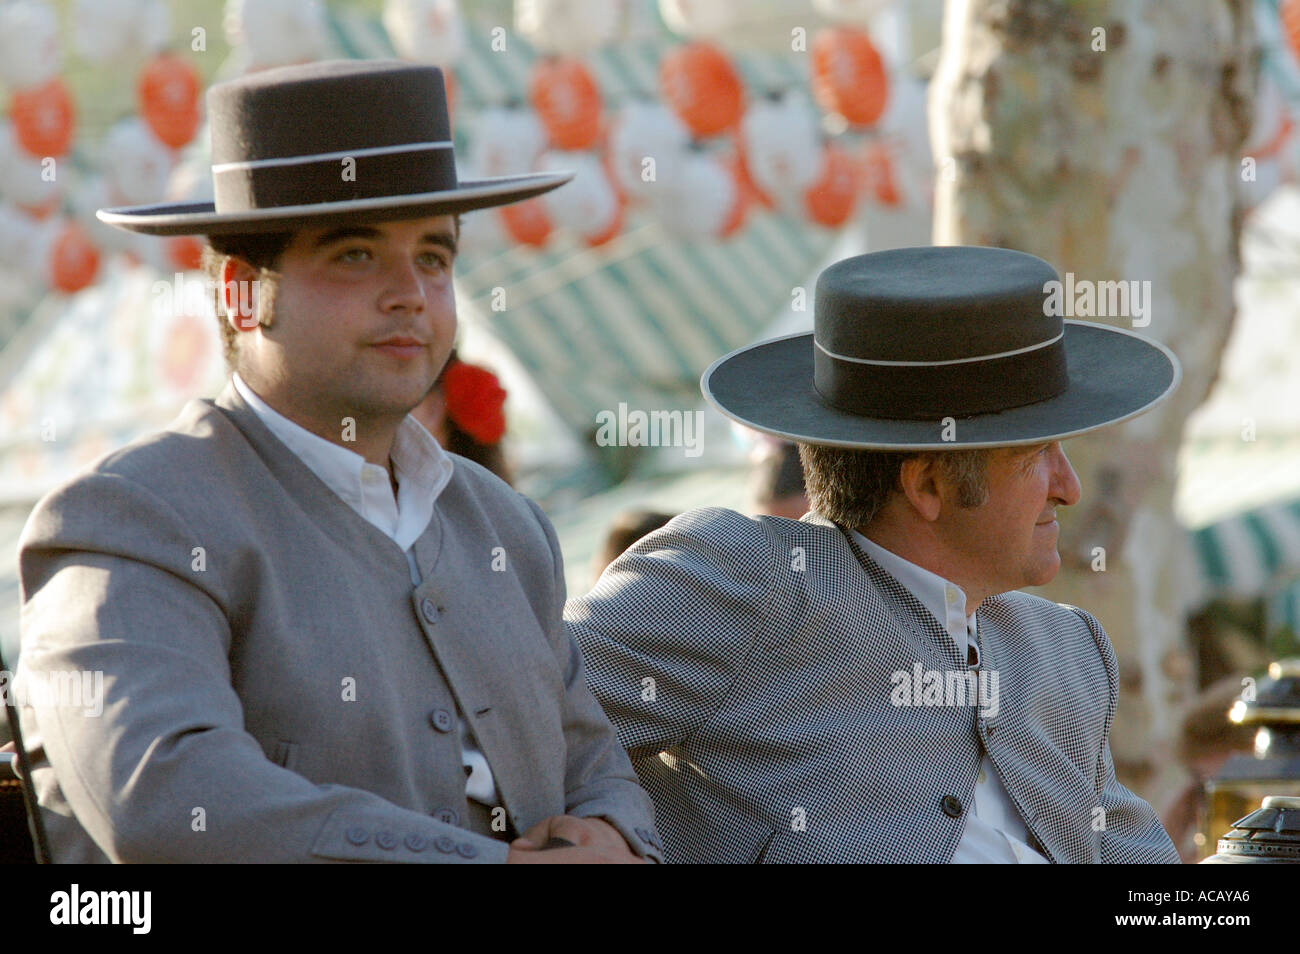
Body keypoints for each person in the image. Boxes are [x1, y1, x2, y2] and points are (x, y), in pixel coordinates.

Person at [15, 59, 660, 864]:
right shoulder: (132, 517)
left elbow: (595, 761)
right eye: (356, 255)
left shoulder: (505, 525)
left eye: (434, 256)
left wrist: (612, 833)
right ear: (242, 295)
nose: (412, 294)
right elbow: (167, 795)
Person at [566, 245, 1183, 863]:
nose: (1068, 487)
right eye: (1037, 451)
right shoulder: (741, 578)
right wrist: (614, 836)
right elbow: (507, 717)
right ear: (928, 487)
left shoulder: (1066, 649)